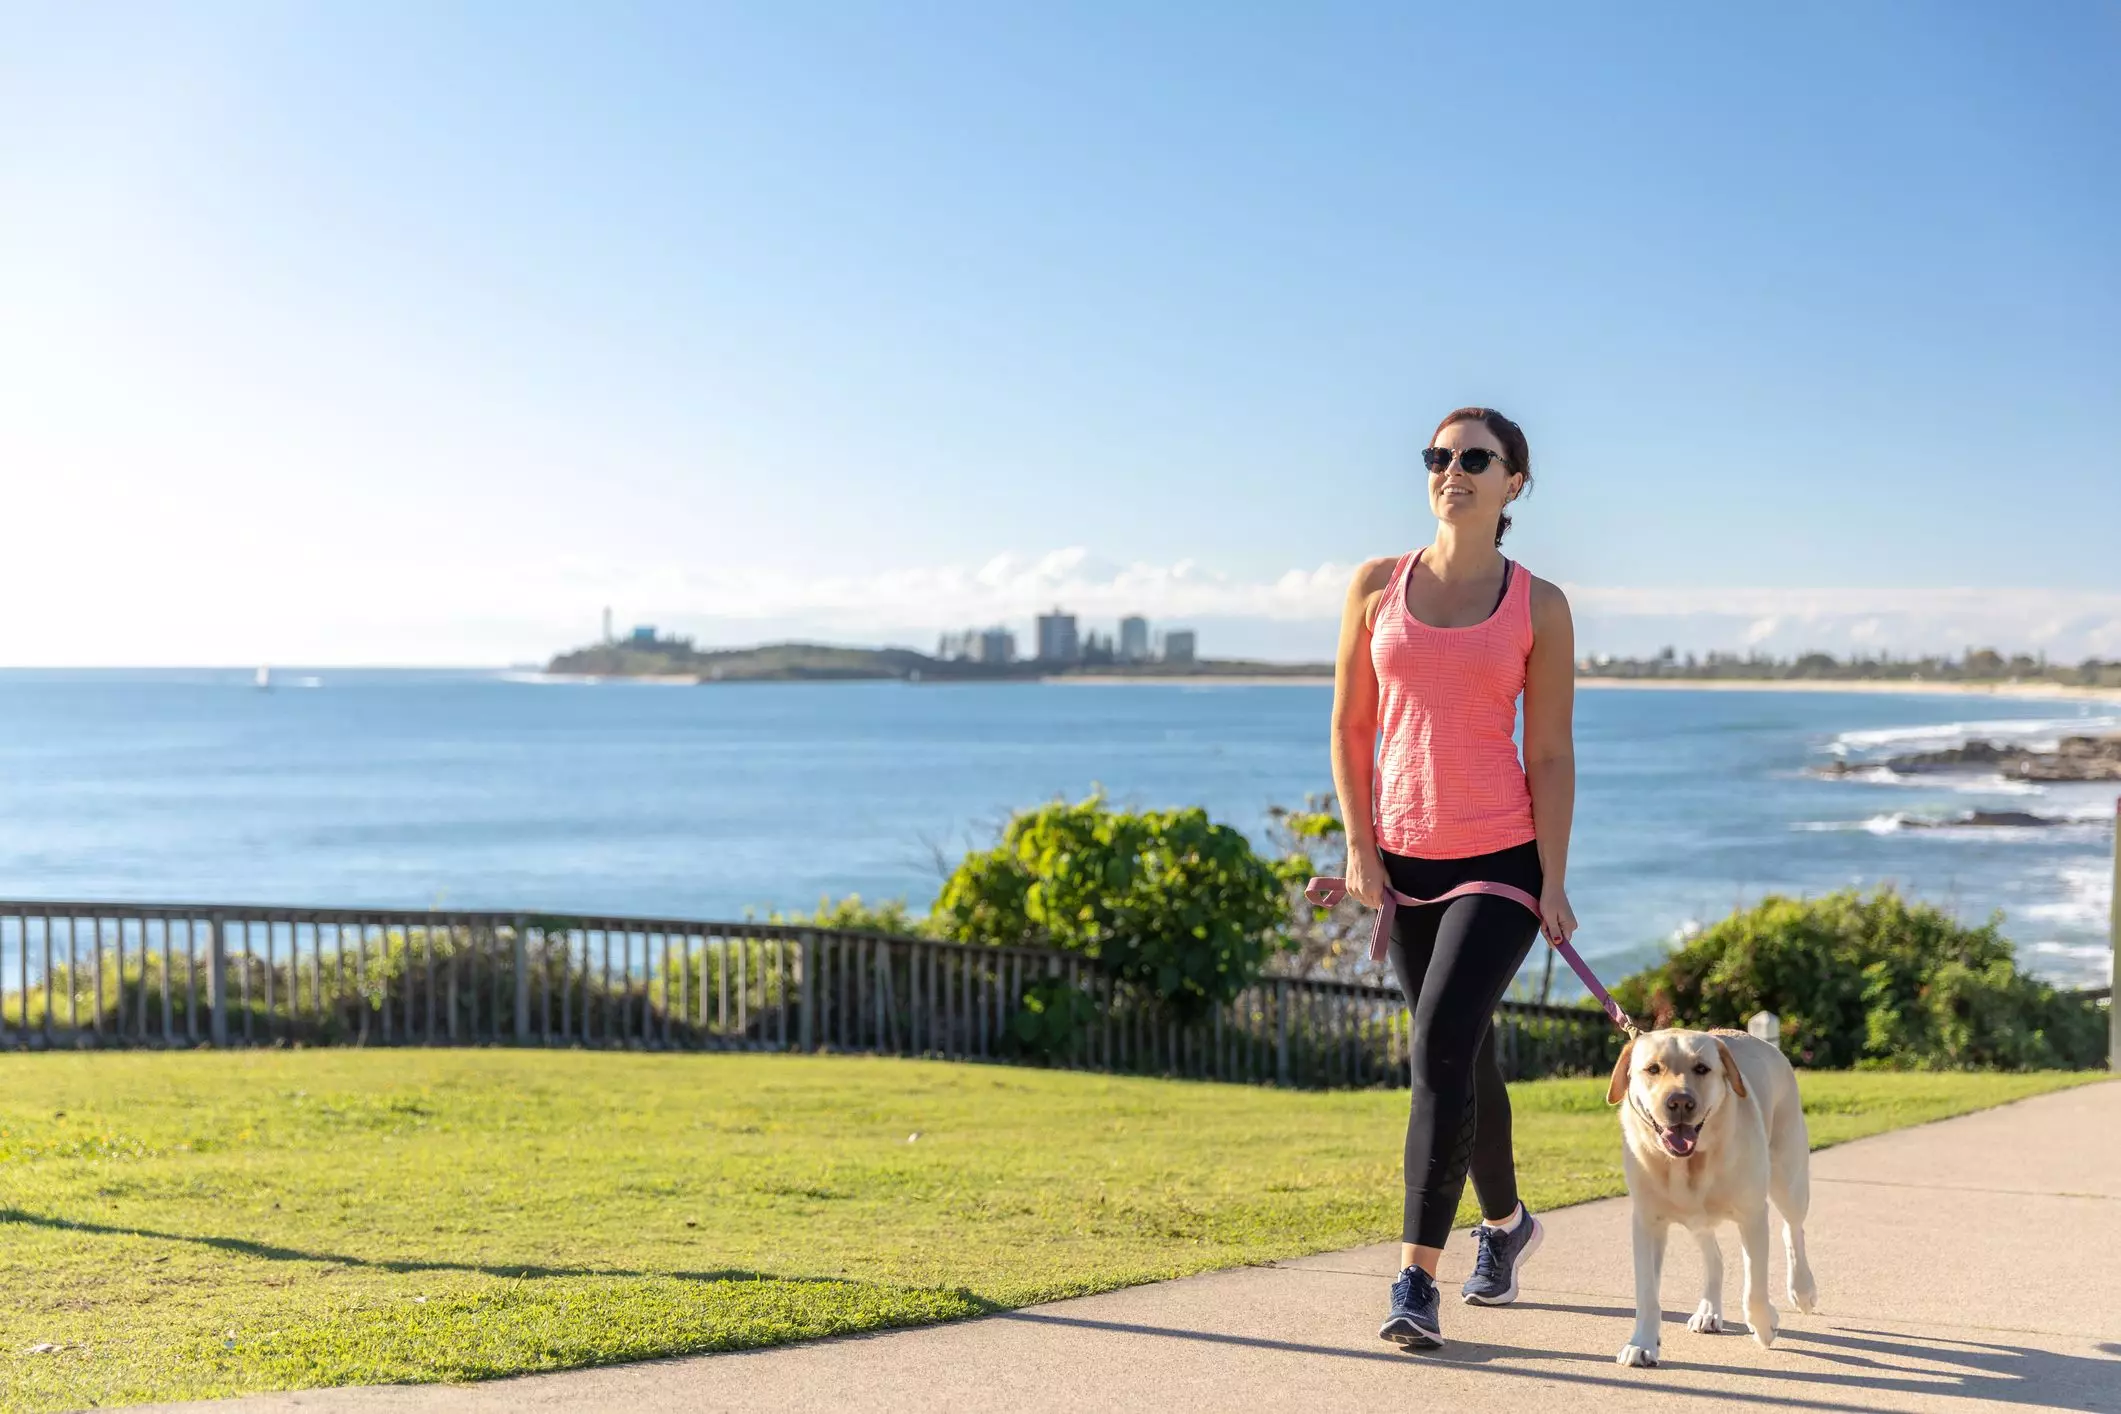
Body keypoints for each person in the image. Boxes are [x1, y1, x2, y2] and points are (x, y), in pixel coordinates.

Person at [1328, 406, 1578, 1349]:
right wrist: (1360, 849)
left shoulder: (1537, 605)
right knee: (1464, 1053)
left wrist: (1551, 879)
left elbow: (1547, 753)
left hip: (1500, 860)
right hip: (1401, 857)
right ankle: (1508, 1227)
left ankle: (1411, 1283)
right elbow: (1352, 730)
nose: (1451, 470)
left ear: (1514, 482)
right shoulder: (1373, 585)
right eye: (1437, 457)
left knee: (1435, 1044)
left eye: (1475, 458)